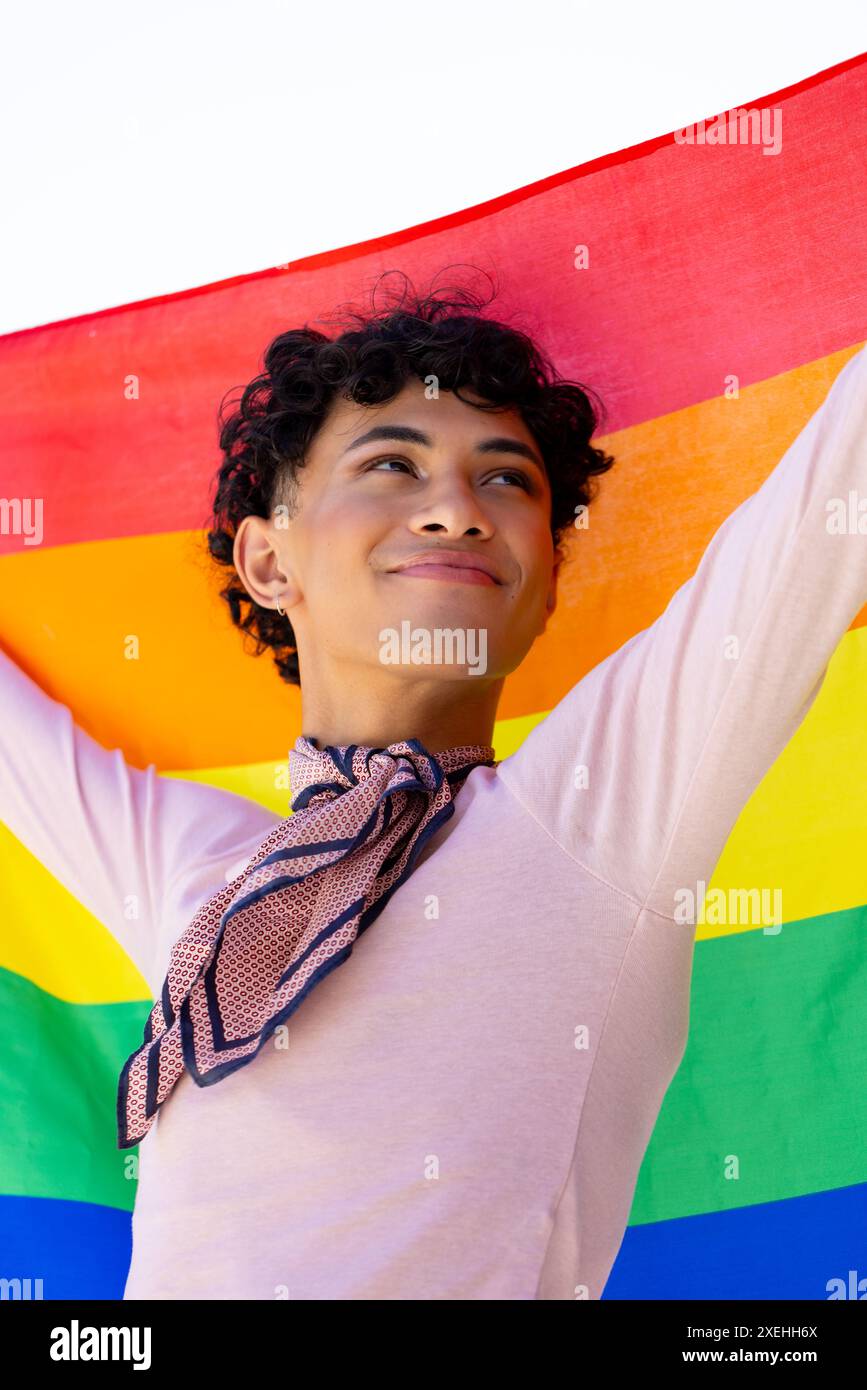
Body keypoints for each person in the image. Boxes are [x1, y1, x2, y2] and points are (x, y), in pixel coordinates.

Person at [3, 274, 867, 1301]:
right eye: (392, 466)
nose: (456, 509)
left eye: (507, 481)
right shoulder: (198, 870)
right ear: (270, 560)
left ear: (548, 580)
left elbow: (828, 500)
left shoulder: (599, 819)